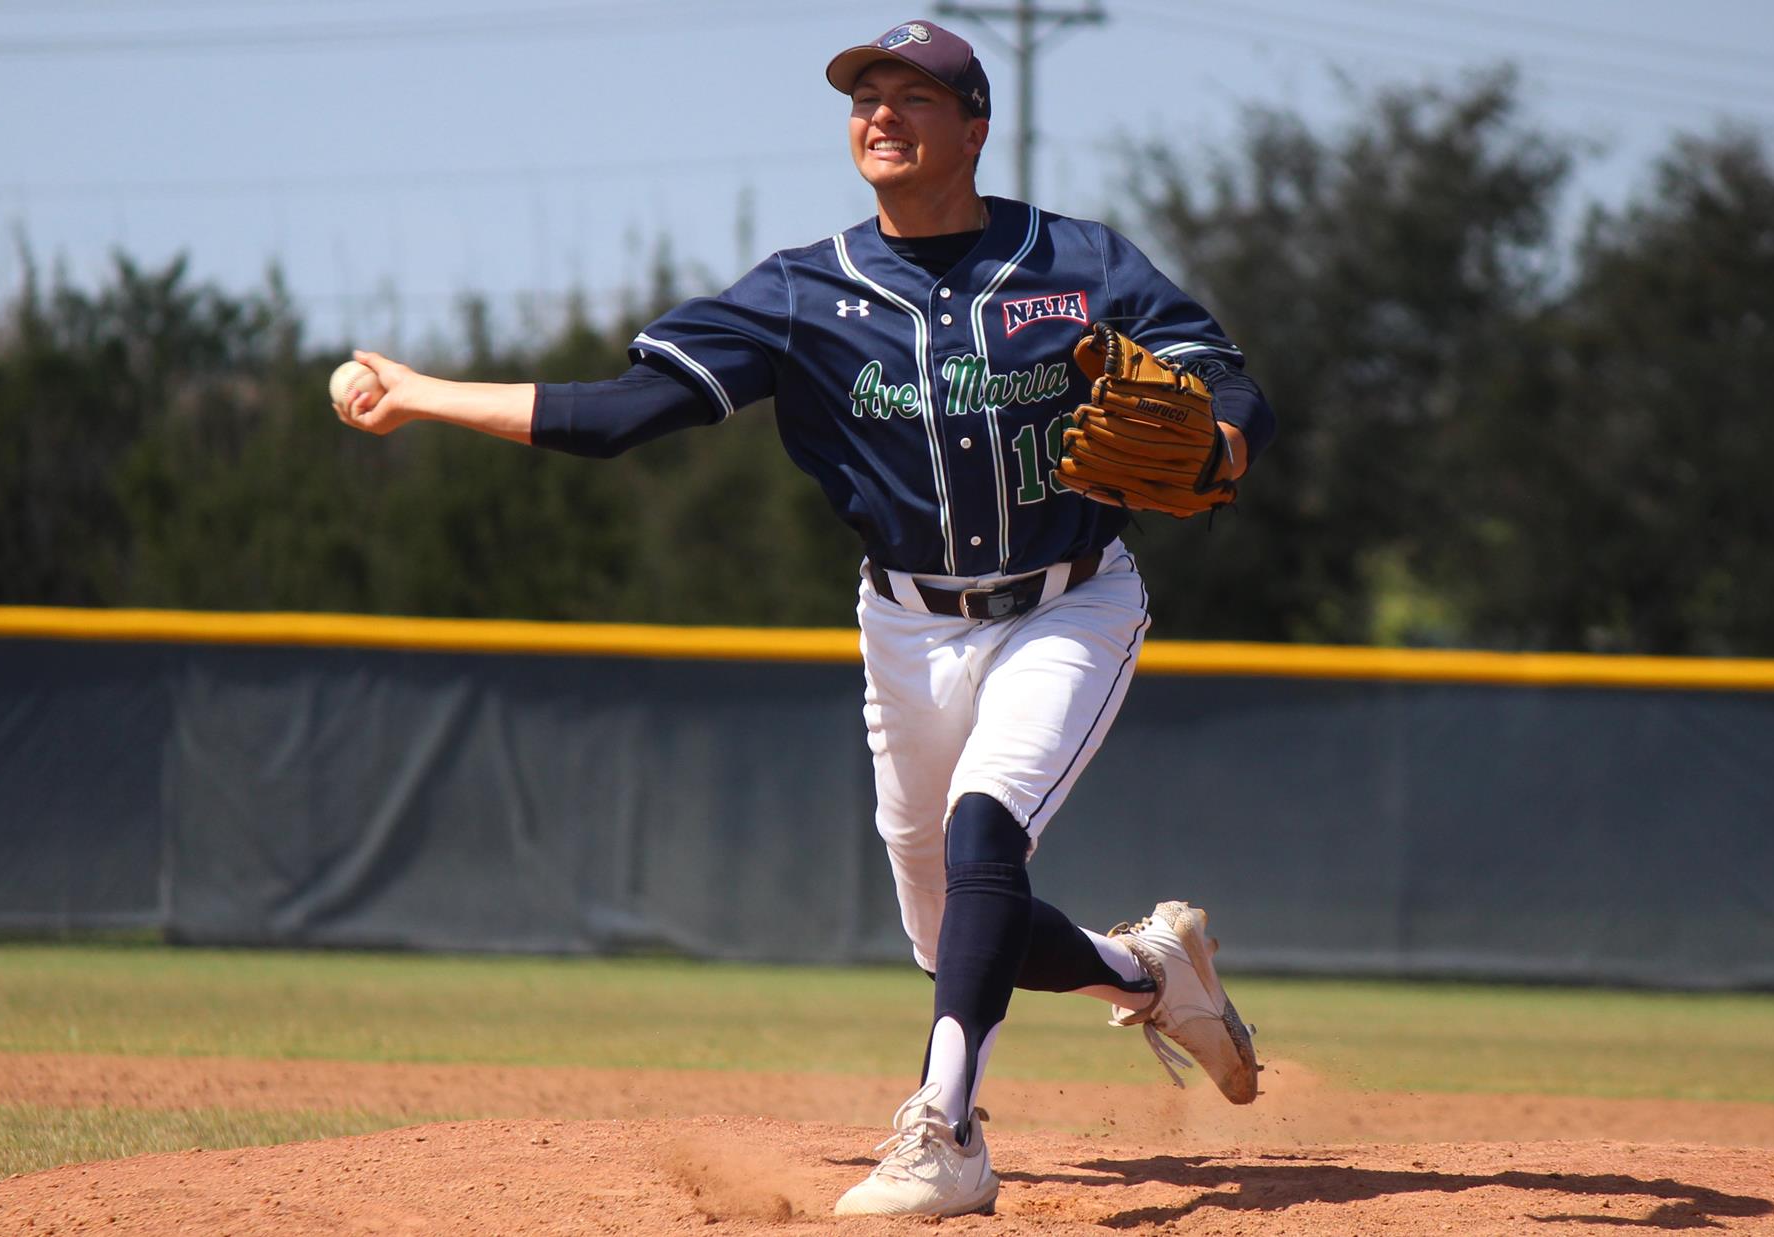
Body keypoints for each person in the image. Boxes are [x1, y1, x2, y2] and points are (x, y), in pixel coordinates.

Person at [337, 18, 1275, 1218]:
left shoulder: (1074, 260)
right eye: (862, 97)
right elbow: (624, 412)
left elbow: (1215, 365)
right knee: (953, 936)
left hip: (1069, 605)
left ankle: (945, 1133)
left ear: (974, 125)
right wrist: (423, 396)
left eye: (913, 96)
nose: (880, 114)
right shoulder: (802, 291)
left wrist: (1226, 431)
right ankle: (1145, 974)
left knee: (988, 834)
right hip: (907, 631)